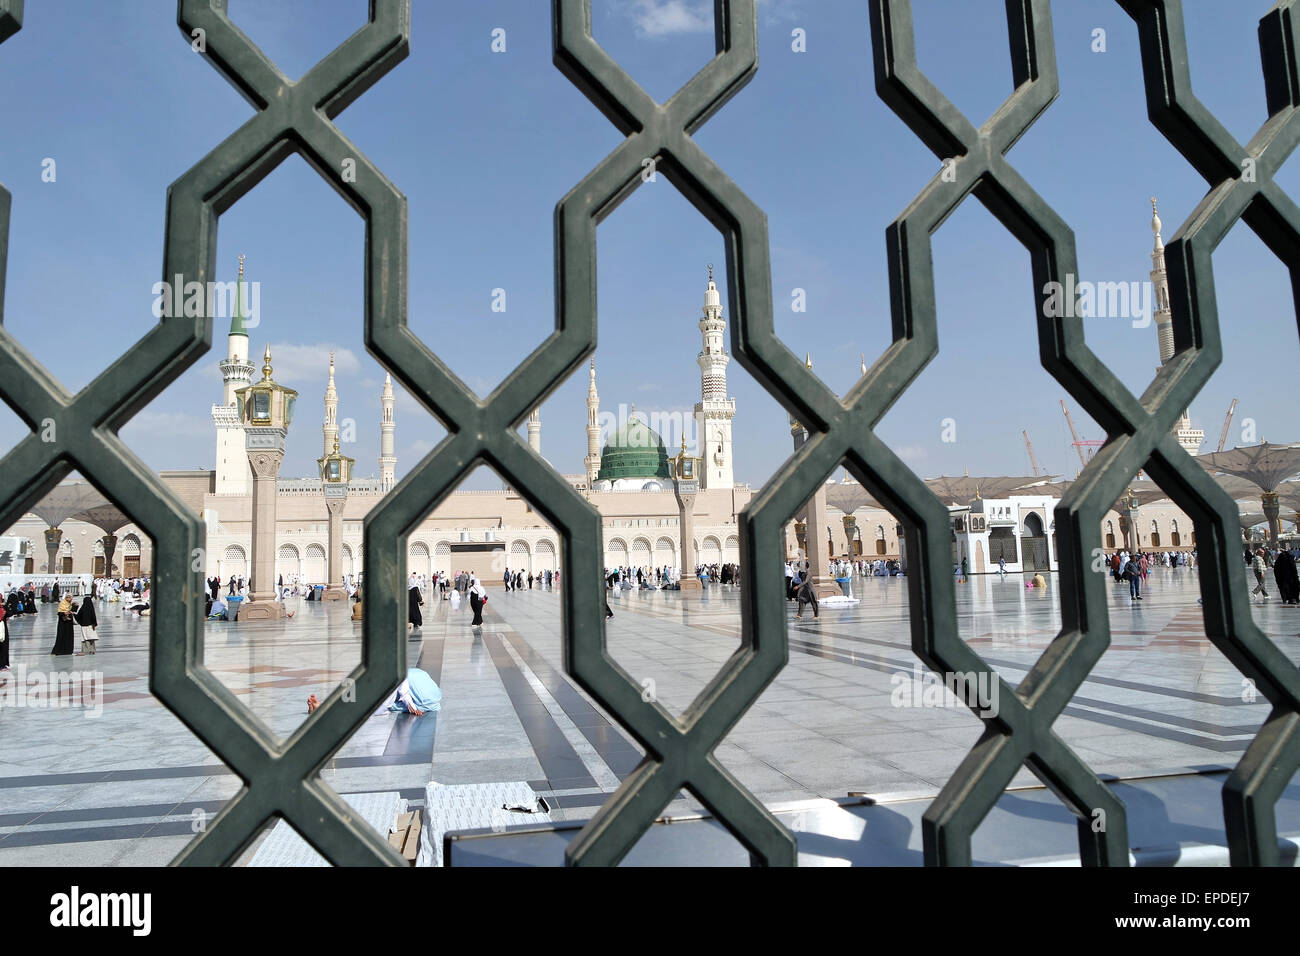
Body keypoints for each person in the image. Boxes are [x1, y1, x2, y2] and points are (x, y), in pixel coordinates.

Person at [0, 604, 9, 672]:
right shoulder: (2, 608)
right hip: (1, 630)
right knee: (2, 646)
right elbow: (9, 614)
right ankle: (1, 665)